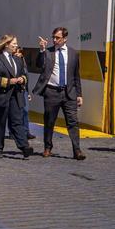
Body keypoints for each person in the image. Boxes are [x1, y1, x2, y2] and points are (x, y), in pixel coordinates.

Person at [34, 27, 86, 160]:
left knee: (73, 122)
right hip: (51, 92)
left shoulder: (73, 53)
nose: (55, 40)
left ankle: (77, 150)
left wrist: (79, 94)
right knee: (49, 121)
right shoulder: (48, 52)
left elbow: (76, 75)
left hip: (69, 93)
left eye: (58, 38)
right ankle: (47, 147)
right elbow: (39, 65)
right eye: (54, 37)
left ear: (65, 39)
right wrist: (41, 50)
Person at [0, 35, 33, 158]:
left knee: (17, 122)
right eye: (14, 43)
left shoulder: (17, 60)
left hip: (15, 96)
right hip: (1, 96)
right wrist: (9, 81)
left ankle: (24, 147)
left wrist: (22, 79)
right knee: (0, 123)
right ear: (6, 44)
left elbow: (24, 74)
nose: (16, 45)